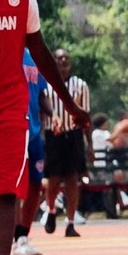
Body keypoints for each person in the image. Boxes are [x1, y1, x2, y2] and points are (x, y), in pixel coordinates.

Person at [0, 0, 91, 255]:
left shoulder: (22, 2)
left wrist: (69, 104)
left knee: (5, 188)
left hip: (9, 110)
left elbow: (42, 55)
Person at [42, 48, 91, 236]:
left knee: (72, 178)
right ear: (53, 61)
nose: (63, 61)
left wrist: (90, 145)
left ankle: (70, 222)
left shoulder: (80, 85)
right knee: (54, 178)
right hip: (53, 135)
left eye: (66, 58)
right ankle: (51, 209)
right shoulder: (46, 84)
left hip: (73, 134)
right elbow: (40, 109)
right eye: (59, 58)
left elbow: (86, 115)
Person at [13, 49, 50, 255]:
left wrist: (53, 115)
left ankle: (22, 237)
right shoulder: (5, 49)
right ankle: (11, 237)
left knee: (35, 184)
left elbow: (42, 94)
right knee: (12, 187)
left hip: (34, 133)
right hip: (13, 130)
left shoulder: (32, 55)